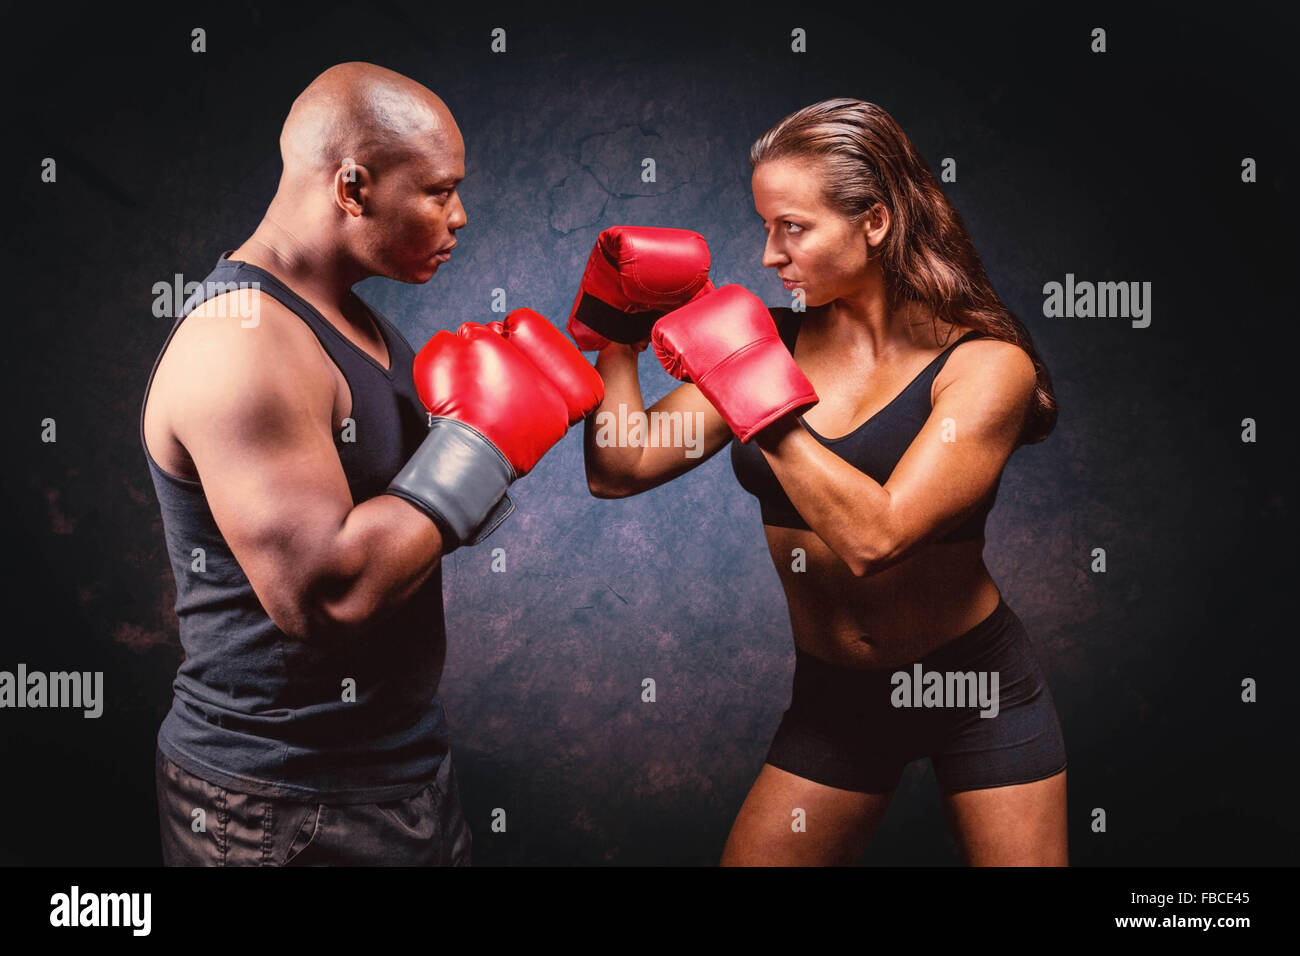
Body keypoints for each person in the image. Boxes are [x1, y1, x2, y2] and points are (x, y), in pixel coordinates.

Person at [579, 98, 1067, 866]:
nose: (770, 254)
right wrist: (616, 337)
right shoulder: (769, 339)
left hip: (973, 688)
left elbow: (879, 536)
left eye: (793, 227)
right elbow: (622, 466)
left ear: (873, 221)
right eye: (766, 227)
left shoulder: (985, 368)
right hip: (838, 700)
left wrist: (756, 402)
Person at [141, 62, 601, 866]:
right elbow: (328, 595)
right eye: (436, 191)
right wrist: (484, 442)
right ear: (352, 188)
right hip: (277, 798)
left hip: (402, 767)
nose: (459, 217)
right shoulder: (240, 344)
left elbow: (409, 529)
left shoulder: (360, 325)